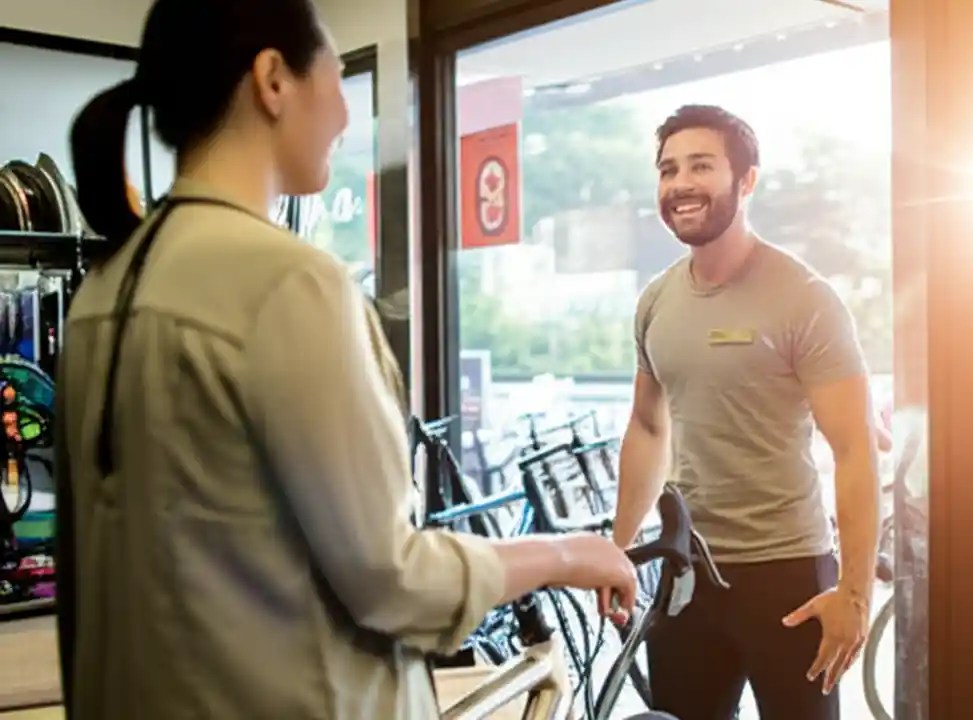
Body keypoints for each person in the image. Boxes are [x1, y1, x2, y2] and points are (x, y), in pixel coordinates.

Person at [54, 2, 638, 718]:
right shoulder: (287, 283)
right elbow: (393, 578)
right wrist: (569, 554)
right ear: (273, 80)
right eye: (333, 77)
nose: (342, 115)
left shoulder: (106, 289)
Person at [603, 105, 882, 720]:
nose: (680, 184)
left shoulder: (805, 299)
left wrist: (854, 596)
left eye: (701, 166)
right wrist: (618, 550)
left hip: (788, 576)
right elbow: (649, 429)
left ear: (746, 179)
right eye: (668, 169)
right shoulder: (656, 301)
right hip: (687, 575)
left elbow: (854, 449)